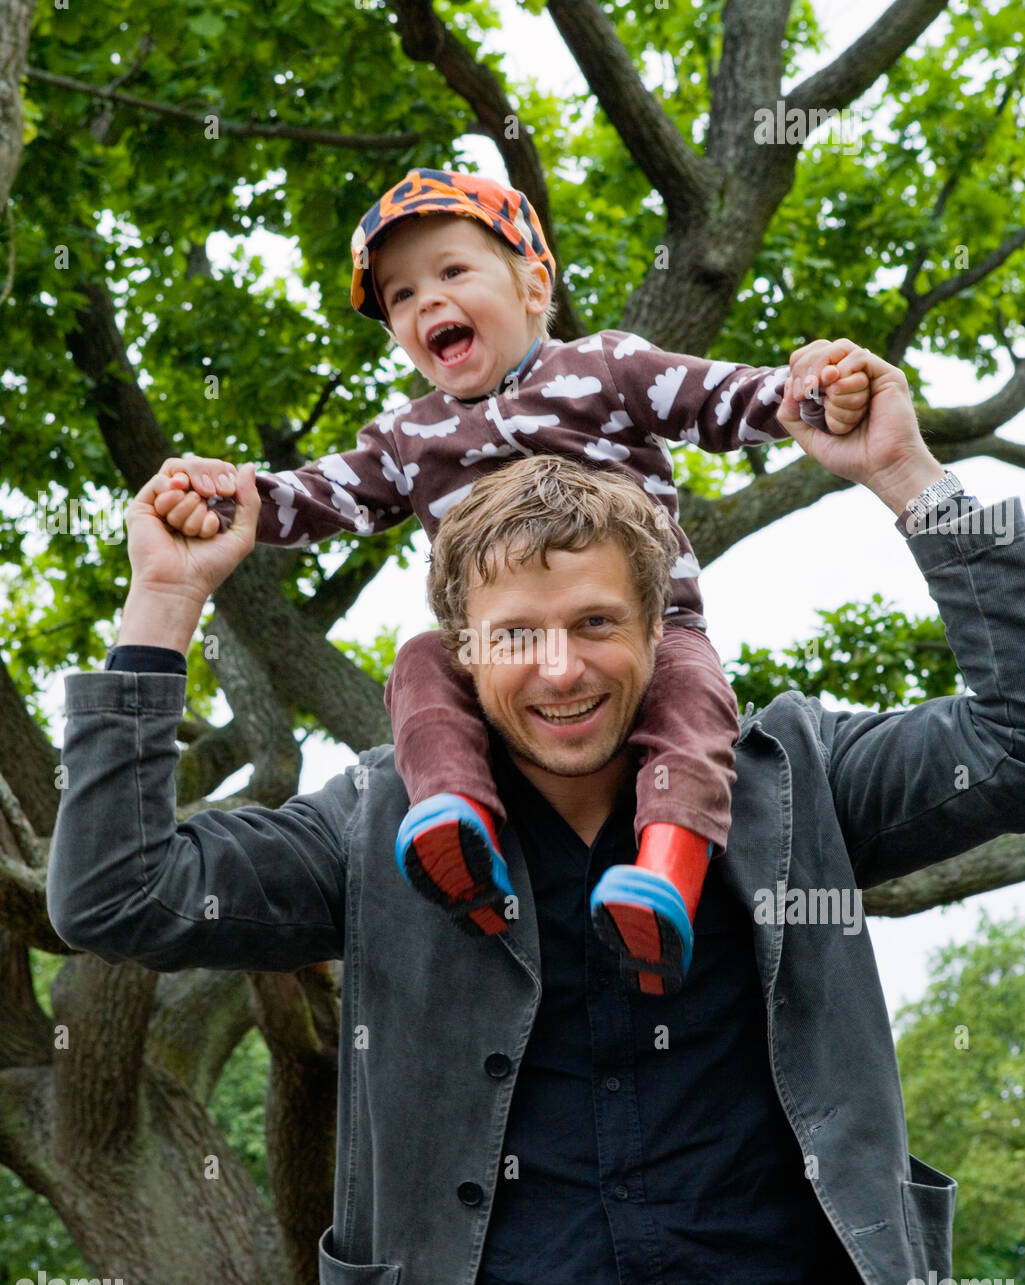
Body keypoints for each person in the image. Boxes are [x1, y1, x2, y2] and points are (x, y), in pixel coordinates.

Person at [47, 349, 1025, 1285]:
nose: (560, 669)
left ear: (659, 630)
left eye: (596, 623)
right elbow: (115, 893)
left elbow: (1011, 743)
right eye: (516, 635)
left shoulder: (795, 782)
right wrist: (162, 603)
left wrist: (906, 474)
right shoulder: (371, 827)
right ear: (461, 652)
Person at [146, 167, 870, 997]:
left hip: (646, 627)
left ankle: (666, 870)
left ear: (533, 284)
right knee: (421, 659)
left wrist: (806, 392)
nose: (426, 303)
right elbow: (319, 497)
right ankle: (456, 825)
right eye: (401, 296)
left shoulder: (604, 370)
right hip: (497, 656)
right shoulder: (406, 437)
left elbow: (720, 399)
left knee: (691, 692)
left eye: (452, 273)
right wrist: (230, 495)